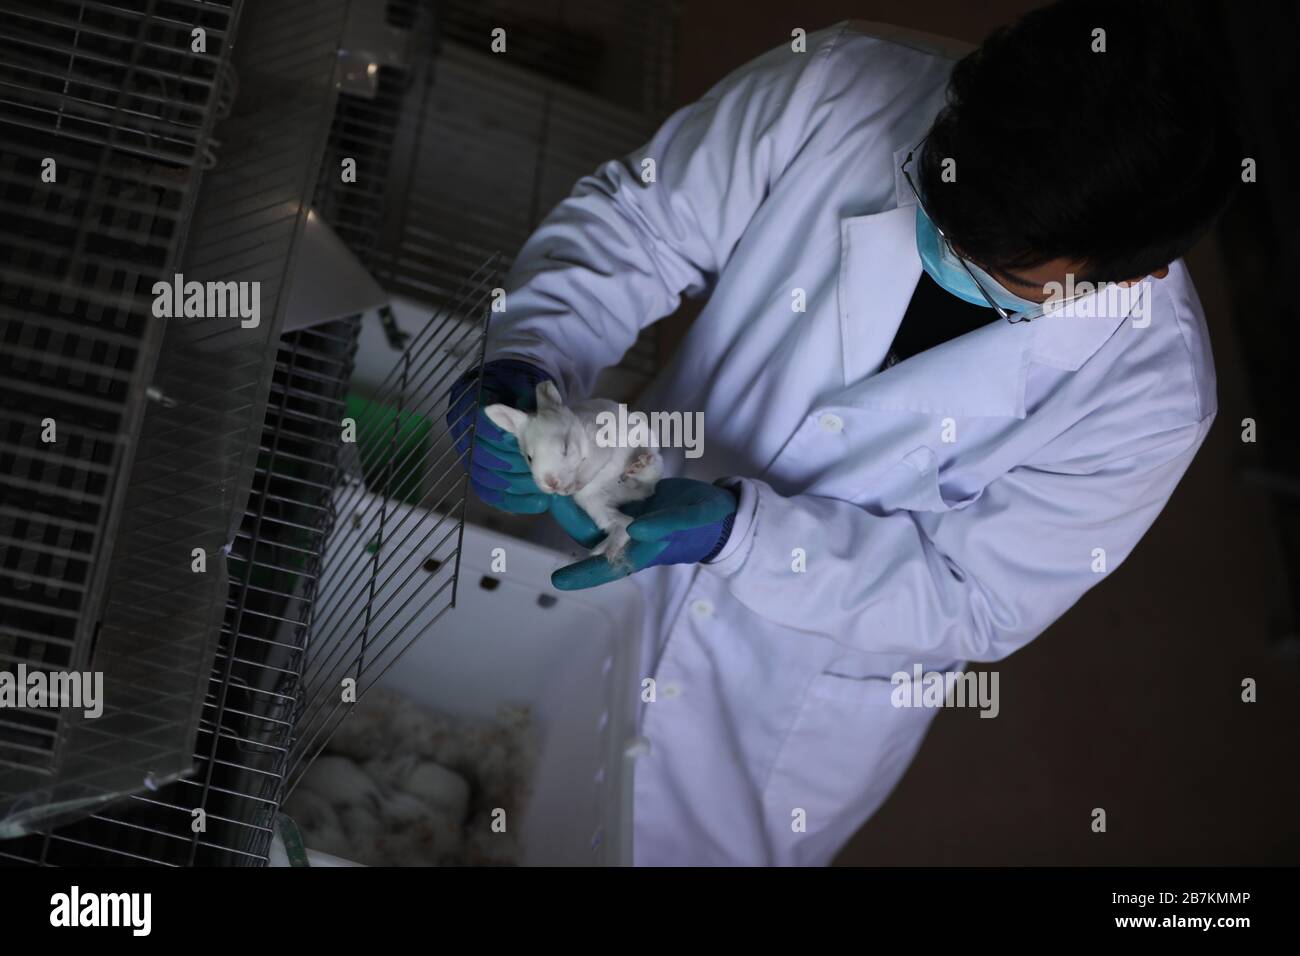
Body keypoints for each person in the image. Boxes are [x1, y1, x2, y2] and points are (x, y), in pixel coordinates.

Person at [448, 1, 1239, 865]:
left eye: (1000, 270)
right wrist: (528, 357)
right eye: (936, 203)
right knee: (462, 765)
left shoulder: (1148, 396)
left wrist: (742, 535)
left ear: (1141, 269)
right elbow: (639, 227)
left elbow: (969, 598)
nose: (943, 246)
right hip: (586, 558)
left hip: (773, 715)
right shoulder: (838, 81)